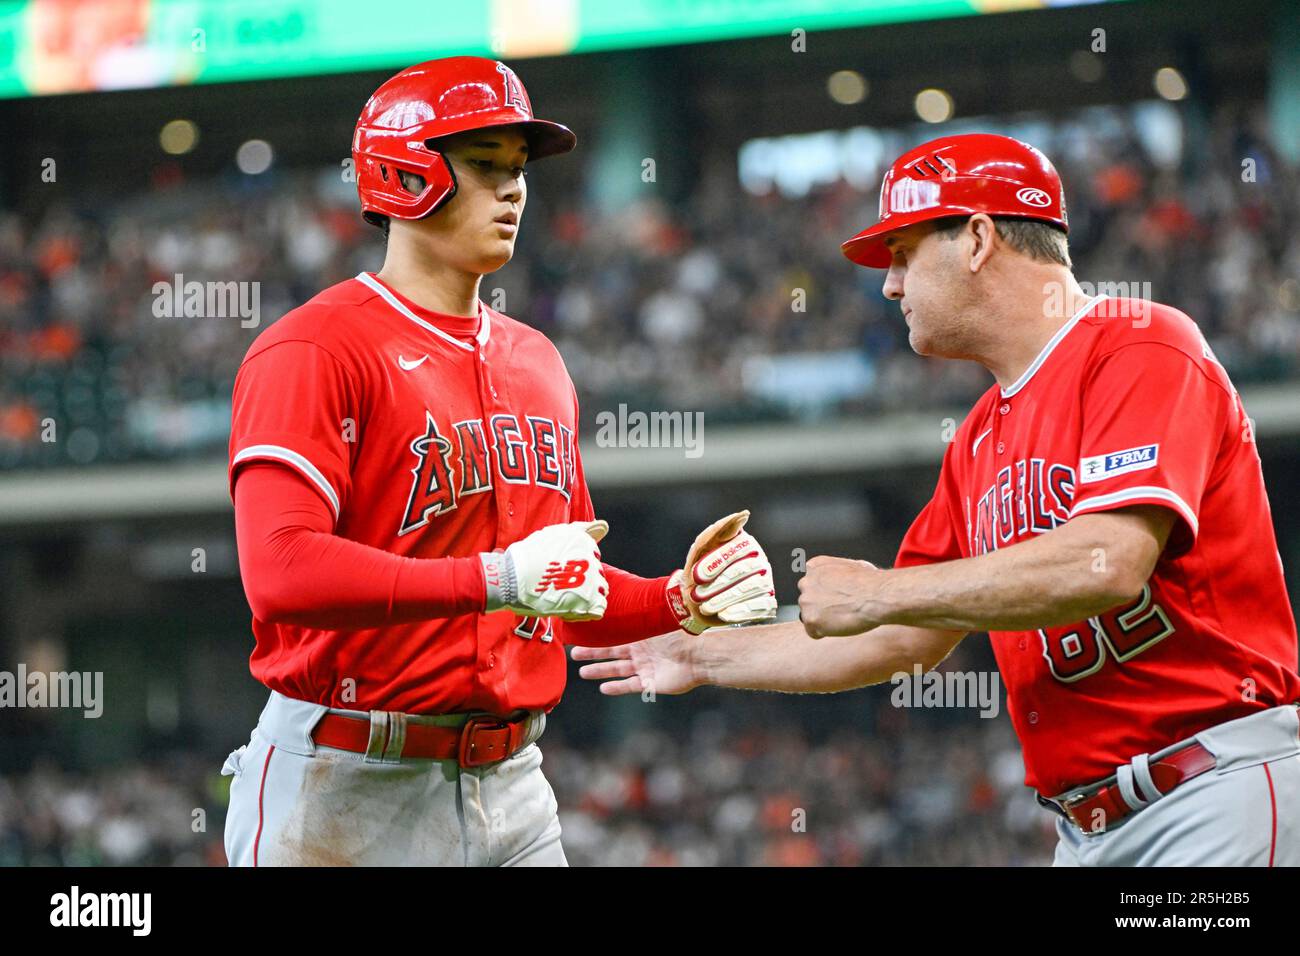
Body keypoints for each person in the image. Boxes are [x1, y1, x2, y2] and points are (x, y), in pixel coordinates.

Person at [575, 133, 1300, 866]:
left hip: (1210, 791)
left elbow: (1106, 564)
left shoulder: (1140, 346)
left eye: (903, 253)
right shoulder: (980, 436)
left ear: (979, 238)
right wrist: (702, 656)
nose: (889, 285)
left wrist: (880, 592)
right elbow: (901, 638)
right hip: (1088, 828)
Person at [220, 56, 777, 867]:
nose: (514, 190)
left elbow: (565, 583)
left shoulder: (538, 359)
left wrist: (680, 598)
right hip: (346, 779)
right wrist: (498, 578)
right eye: (485, 165)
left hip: (514, 783)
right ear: (404, 171)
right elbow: (280, 572)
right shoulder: (313, 347)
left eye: (519, 170)